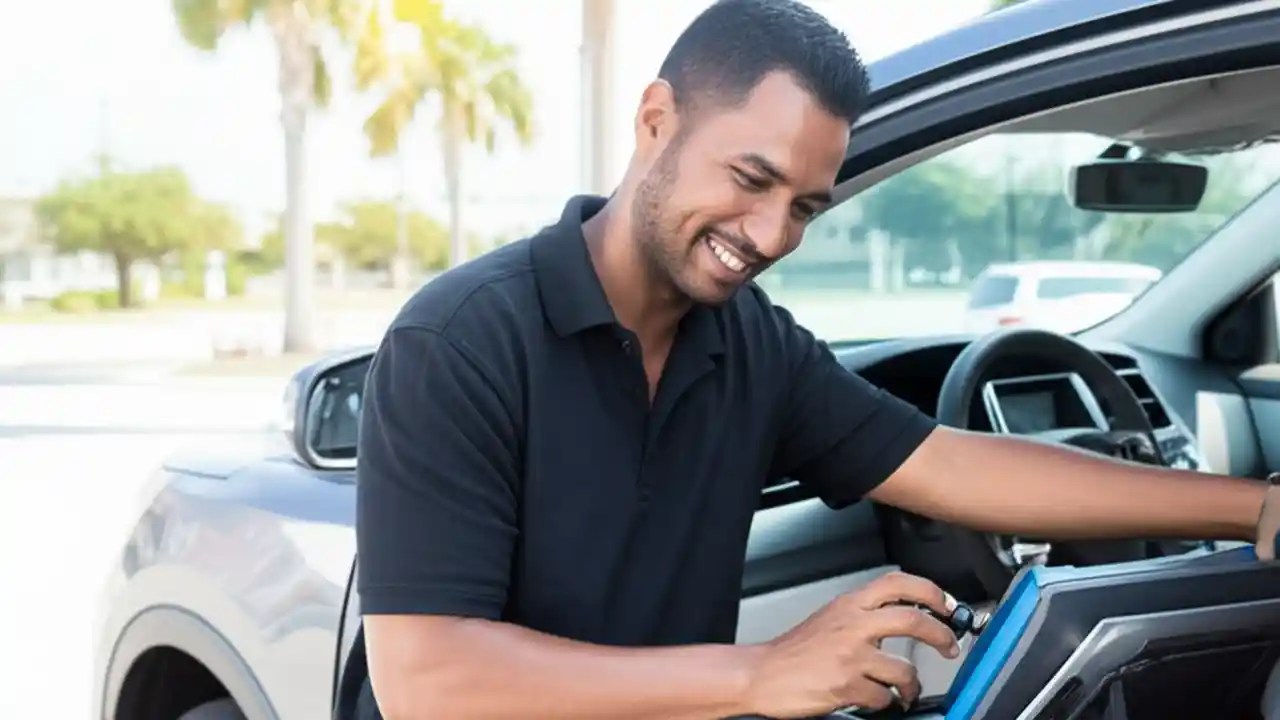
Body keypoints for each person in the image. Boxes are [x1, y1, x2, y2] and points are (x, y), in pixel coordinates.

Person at [353, 1, 1280, 717]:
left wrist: (1254, 509)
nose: (769, 234)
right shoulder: (462, 341)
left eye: (805, 207)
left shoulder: (749, 339)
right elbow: (428, 681)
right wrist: (761, 672)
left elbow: (947, 466)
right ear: (655, 122)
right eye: (751, 180)